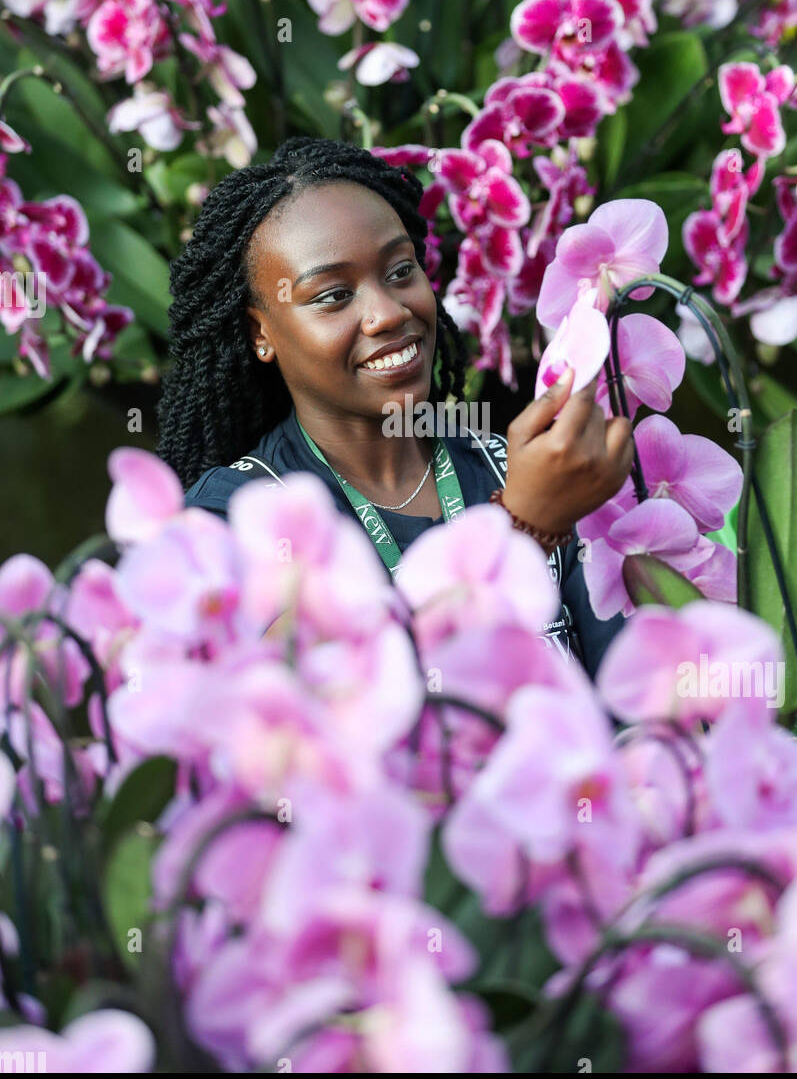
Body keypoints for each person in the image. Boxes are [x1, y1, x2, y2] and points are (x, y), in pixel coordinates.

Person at [157, 137, 635, 676]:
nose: (387, 312)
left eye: (400, 271)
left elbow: (628, 711)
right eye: (333, 295)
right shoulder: (234, 520)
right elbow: (314, 703)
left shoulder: (517, 470)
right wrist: (523, 525)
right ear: (261, 332)